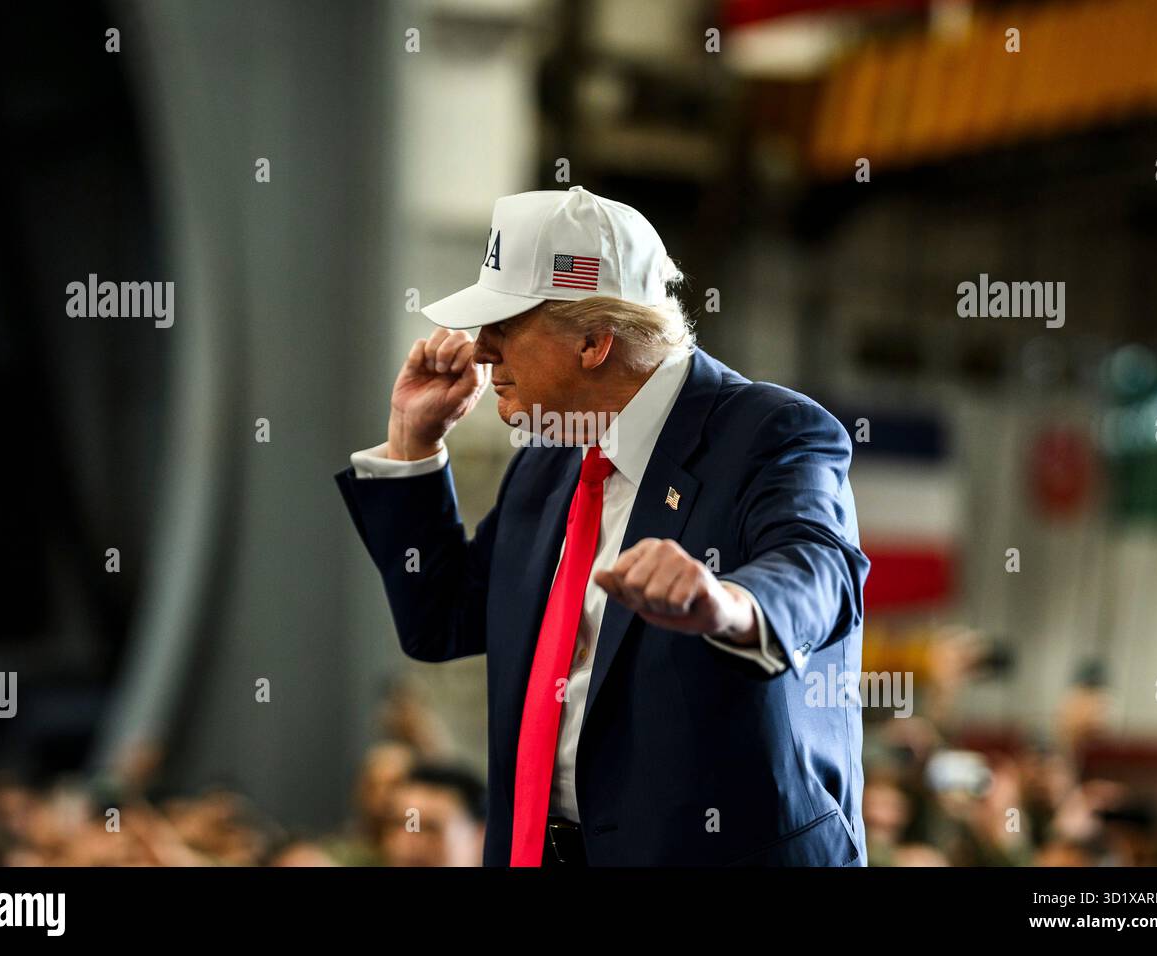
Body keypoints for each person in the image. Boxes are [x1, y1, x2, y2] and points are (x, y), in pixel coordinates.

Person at [335, 186, 870, 866]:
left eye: (506, 325)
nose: (483, 351)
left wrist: (727, 603)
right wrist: (414, 443)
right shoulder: (550, 458)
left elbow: (819, 571)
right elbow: (442, 620)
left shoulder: (771, 431)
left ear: (593, 342)